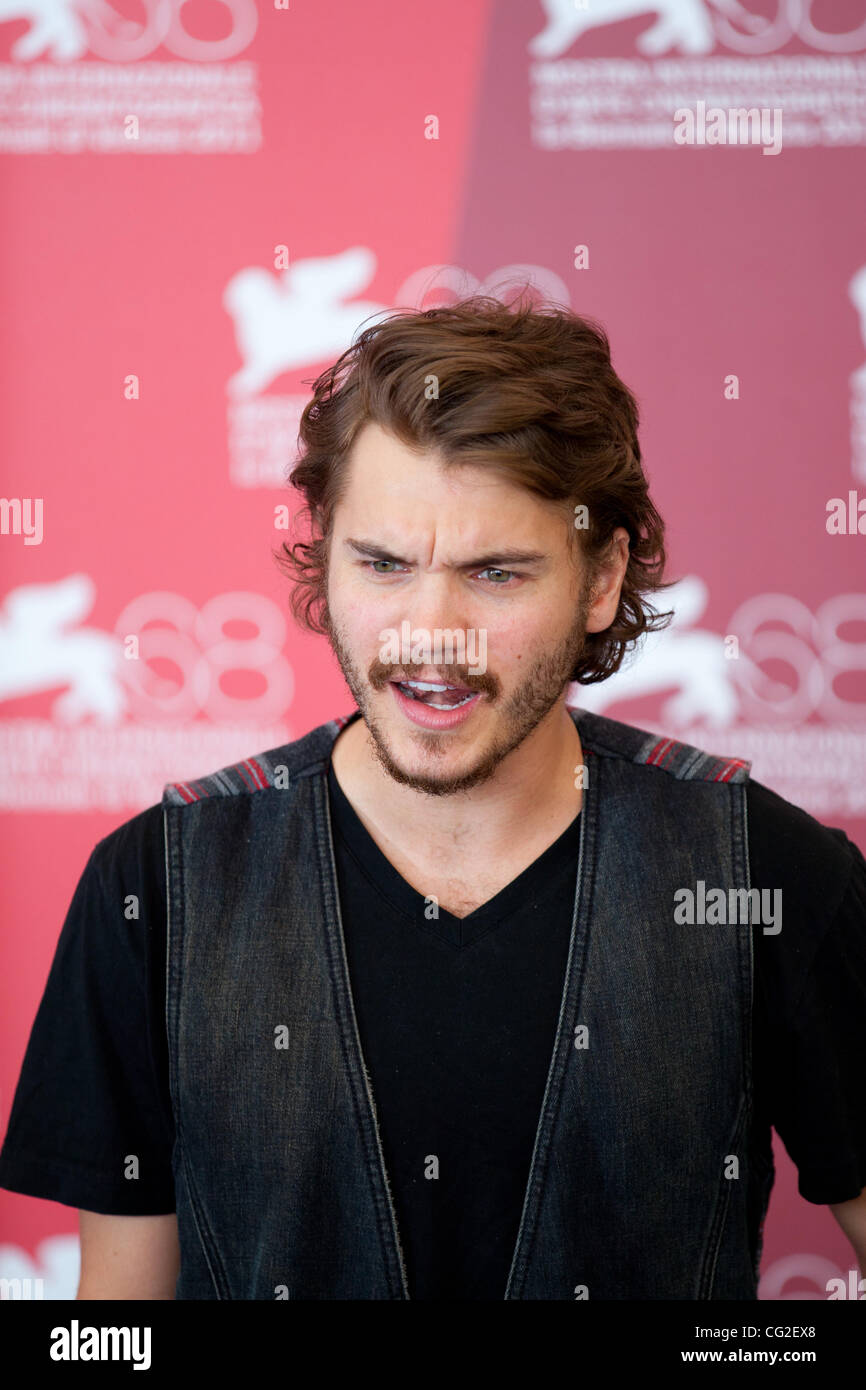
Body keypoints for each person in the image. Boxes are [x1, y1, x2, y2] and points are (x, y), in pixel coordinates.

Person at [2, 294, 865, 1300]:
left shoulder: (770, 878)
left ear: (599, 577)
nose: (430, 633)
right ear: (324, 557)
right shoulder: (156, 886)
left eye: (494, 573)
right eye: (382, 565)